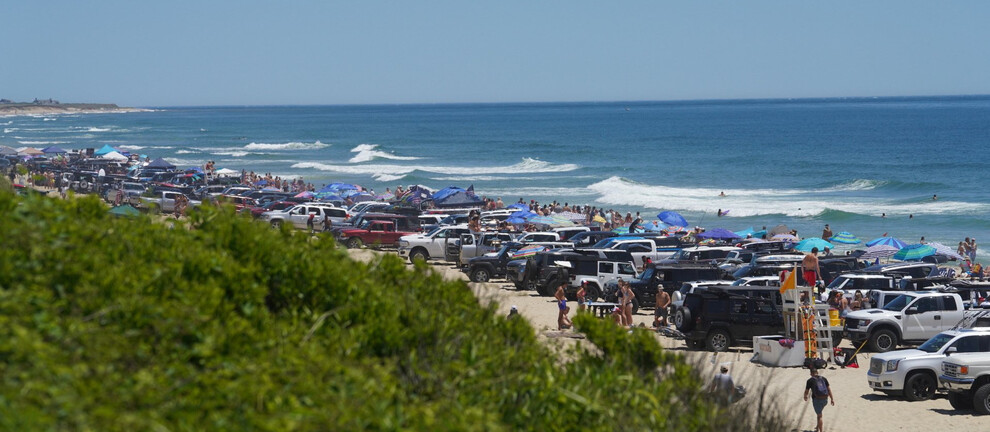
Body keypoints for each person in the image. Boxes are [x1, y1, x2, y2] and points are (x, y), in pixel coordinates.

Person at [804, 368, 834, 432]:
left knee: (819, 416)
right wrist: (832, 399)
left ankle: (821, 431)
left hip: (817, 400)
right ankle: (817, 427)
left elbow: (806, 391)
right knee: (819, 412)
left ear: (811, 373)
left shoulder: (810, 380)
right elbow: (829, 389)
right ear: (817, 372)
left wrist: (805, 396)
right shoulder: (824, 378)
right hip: (825, 400)